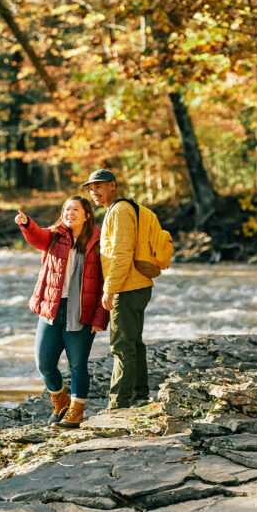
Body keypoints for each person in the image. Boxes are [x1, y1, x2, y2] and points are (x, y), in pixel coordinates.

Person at [16, 196, 108, 429]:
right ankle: (61, 401)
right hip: (52, 307)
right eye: (67, 209)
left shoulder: (99, 241)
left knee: (78, 365)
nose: (70, 213)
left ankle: (76, 412)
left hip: (81, 311)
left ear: (87, 215)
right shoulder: (55, 235)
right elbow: (37, 236)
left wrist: (100, 316)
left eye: (76, 209)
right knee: (44, 362)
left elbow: (103, 283)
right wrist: (27, 223)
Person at [81, 169, 153, 410]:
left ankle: (118, 403)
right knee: (133, 343)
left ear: (113, 186)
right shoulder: (119, 209)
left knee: (121, 346)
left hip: (127, 287)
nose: (94, 192)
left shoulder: (120, 211)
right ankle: (139, 395)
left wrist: (109, 289)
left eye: (99, 187)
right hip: (135, 284)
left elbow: (121, 253)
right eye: (91, 189)